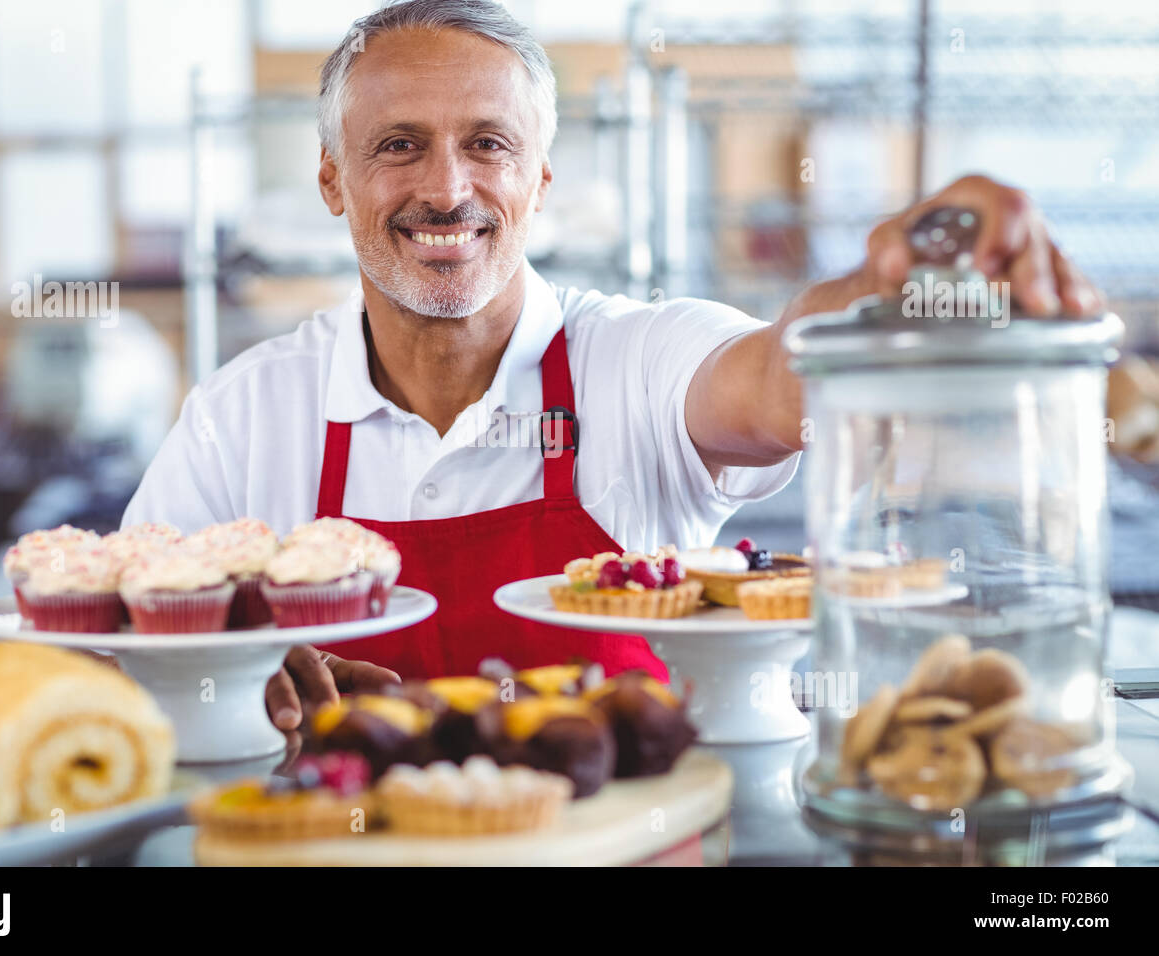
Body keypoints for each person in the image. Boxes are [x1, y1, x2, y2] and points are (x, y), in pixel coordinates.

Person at [122, 0, 1103, 733]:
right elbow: (126, 652)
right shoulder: (245, 414)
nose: (447, 187)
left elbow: (777, 376)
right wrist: (224, 673)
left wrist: (906, 273)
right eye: (397, 145)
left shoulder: (632, 358)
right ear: (332, 177)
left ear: (539, 176)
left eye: (488, 144)